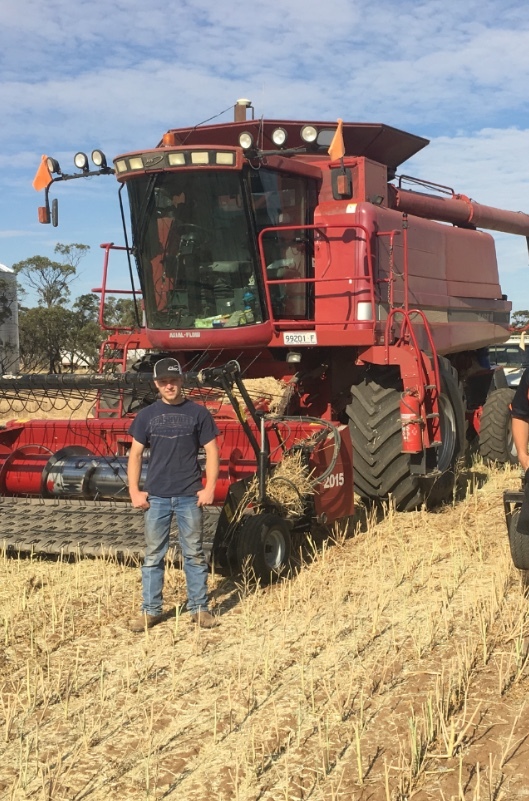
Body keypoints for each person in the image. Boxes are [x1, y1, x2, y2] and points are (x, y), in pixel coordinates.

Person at [127, 357, 220, 630]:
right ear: (156, 384)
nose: (170, 386)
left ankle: (199, 609)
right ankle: (151, 611)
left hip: (190, 495)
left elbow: (213, 452)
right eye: (164, 382)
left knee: (194, 554)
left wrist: (210, 488)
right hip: (156, 497)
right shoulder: (146, 416)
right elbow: (135, 455)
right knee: (154, 555)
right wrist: (135, 491)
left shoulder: (199, 413)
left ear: (182, 381)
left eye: (174, 380)